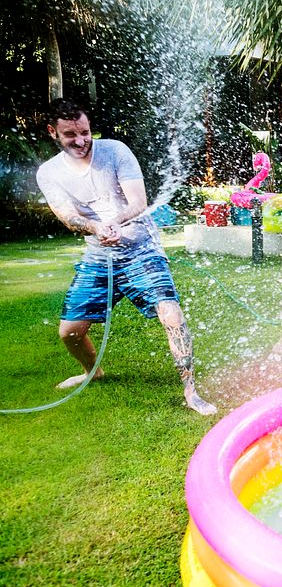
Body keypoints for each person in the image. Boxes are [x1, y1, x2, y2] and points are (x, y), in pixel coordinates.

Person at [35, 98, 216, 416]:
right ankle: (93, 371)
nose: (81, 141)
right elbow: (66, 215)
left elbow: (138, 201)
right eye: (70, 135)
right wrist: (94, 227)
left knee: (171, 317)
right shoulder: (49, 173)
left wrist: (116, 223)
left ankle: (191, 391)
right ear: (53, 132)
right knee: (70, 332)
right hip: (97, 259)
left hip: (141, 251)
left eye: (85, 132)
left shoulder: (116, 151)